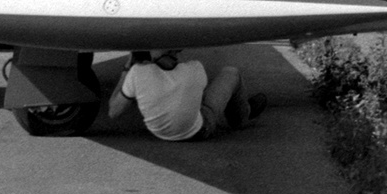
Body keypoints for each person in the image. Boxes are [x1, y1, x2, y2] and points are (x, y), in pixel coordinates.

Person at [107, 50, 267, 141]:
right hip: (199, 130)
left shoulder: (137, 73)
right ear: (176, 51)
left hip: (159, 134)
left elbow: (113, 112)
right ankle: (242, 116)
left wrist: (127, 70)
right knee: (231, 73)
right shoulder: (194, 68)